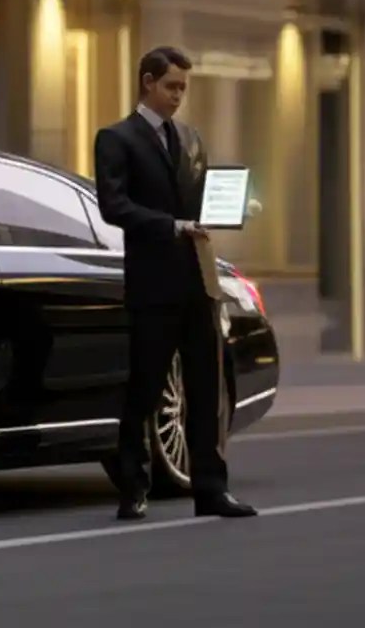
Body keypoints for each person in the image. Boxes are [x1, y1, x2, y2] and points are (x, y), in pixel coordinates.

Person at [93, 46, 258, 521]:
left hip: (198, 279)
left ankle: (211, 489)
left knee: (206, 389)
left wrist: (229, 208)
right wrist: (172, 225)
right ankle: (133, 486)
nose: (178, 97)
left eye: (184, 88)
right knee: (145, 387)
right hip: (153, 283)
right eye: (171, 87)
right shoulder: (116, 138)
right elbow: (114, 206)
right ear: (147, 82)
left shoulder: (189, 138)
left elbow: (198, 200)